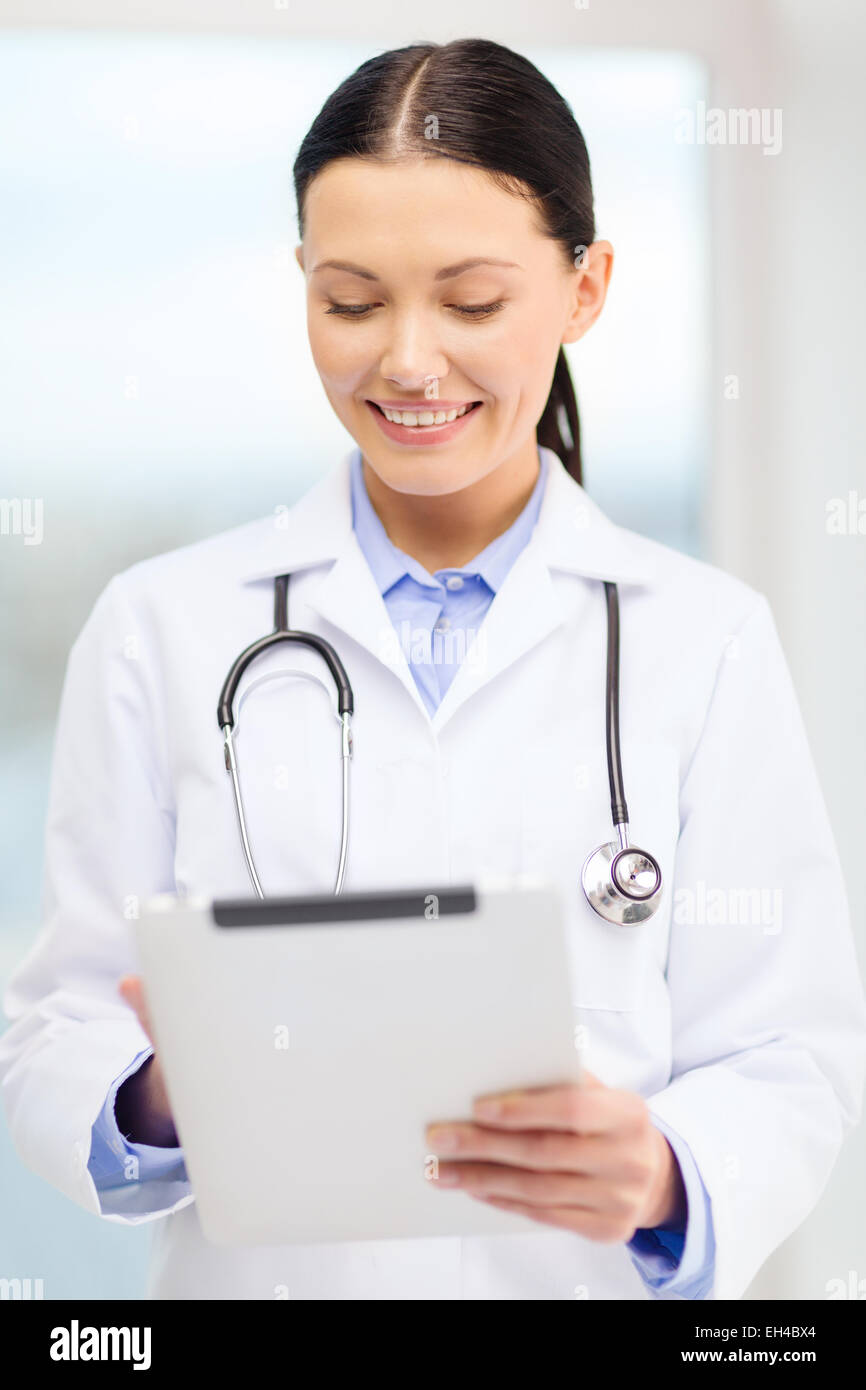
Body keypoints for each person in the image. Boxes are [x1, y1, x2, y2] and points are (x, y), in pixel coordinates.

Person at [2, 37, 864, 1302]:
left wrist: (667, 1171)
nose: (406, 362)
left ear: (583, 288)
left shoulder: (702, 641)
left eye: (470, 302)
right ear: (301, 281)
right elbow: (56, 1034)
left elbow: (793, 1054)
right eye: (350, 301)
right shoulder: (160, 629)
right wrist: (160, 1088)